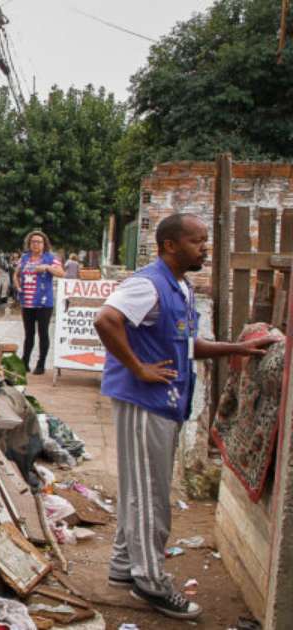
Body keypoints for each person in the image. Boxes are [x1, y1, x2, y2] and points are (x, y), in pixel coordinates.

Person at [94, 213, 277, 620]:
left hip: (165, 402)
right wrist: (139, 367)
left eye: (205, 240)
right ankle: (150, 582)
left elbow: (185, 344)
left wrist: (237, 349)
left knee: (142, 490)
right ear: (170, 245)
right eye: (197, 241)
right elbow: (105, 319)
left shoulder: (180, 287)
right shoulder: (147, 283)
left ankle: (125, 568)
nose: (204, 248)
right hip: (144, 402)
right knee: (151, 496)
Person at [15, 231, 64, 375]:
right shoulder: (24, 258)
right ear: (29, 244)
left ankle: (41, 364)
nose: (36, 244)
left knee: (43, 333)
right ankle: (24, 362)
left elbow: (61, 273)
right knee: (29, 333)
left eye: (39, 242)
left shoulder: (50, 258)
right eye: (33, 241)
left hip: (43, 303)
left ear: (44, 244)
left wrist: (47, 267)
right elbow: (16, 274)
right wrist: (17, 285)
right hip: (27, 302)